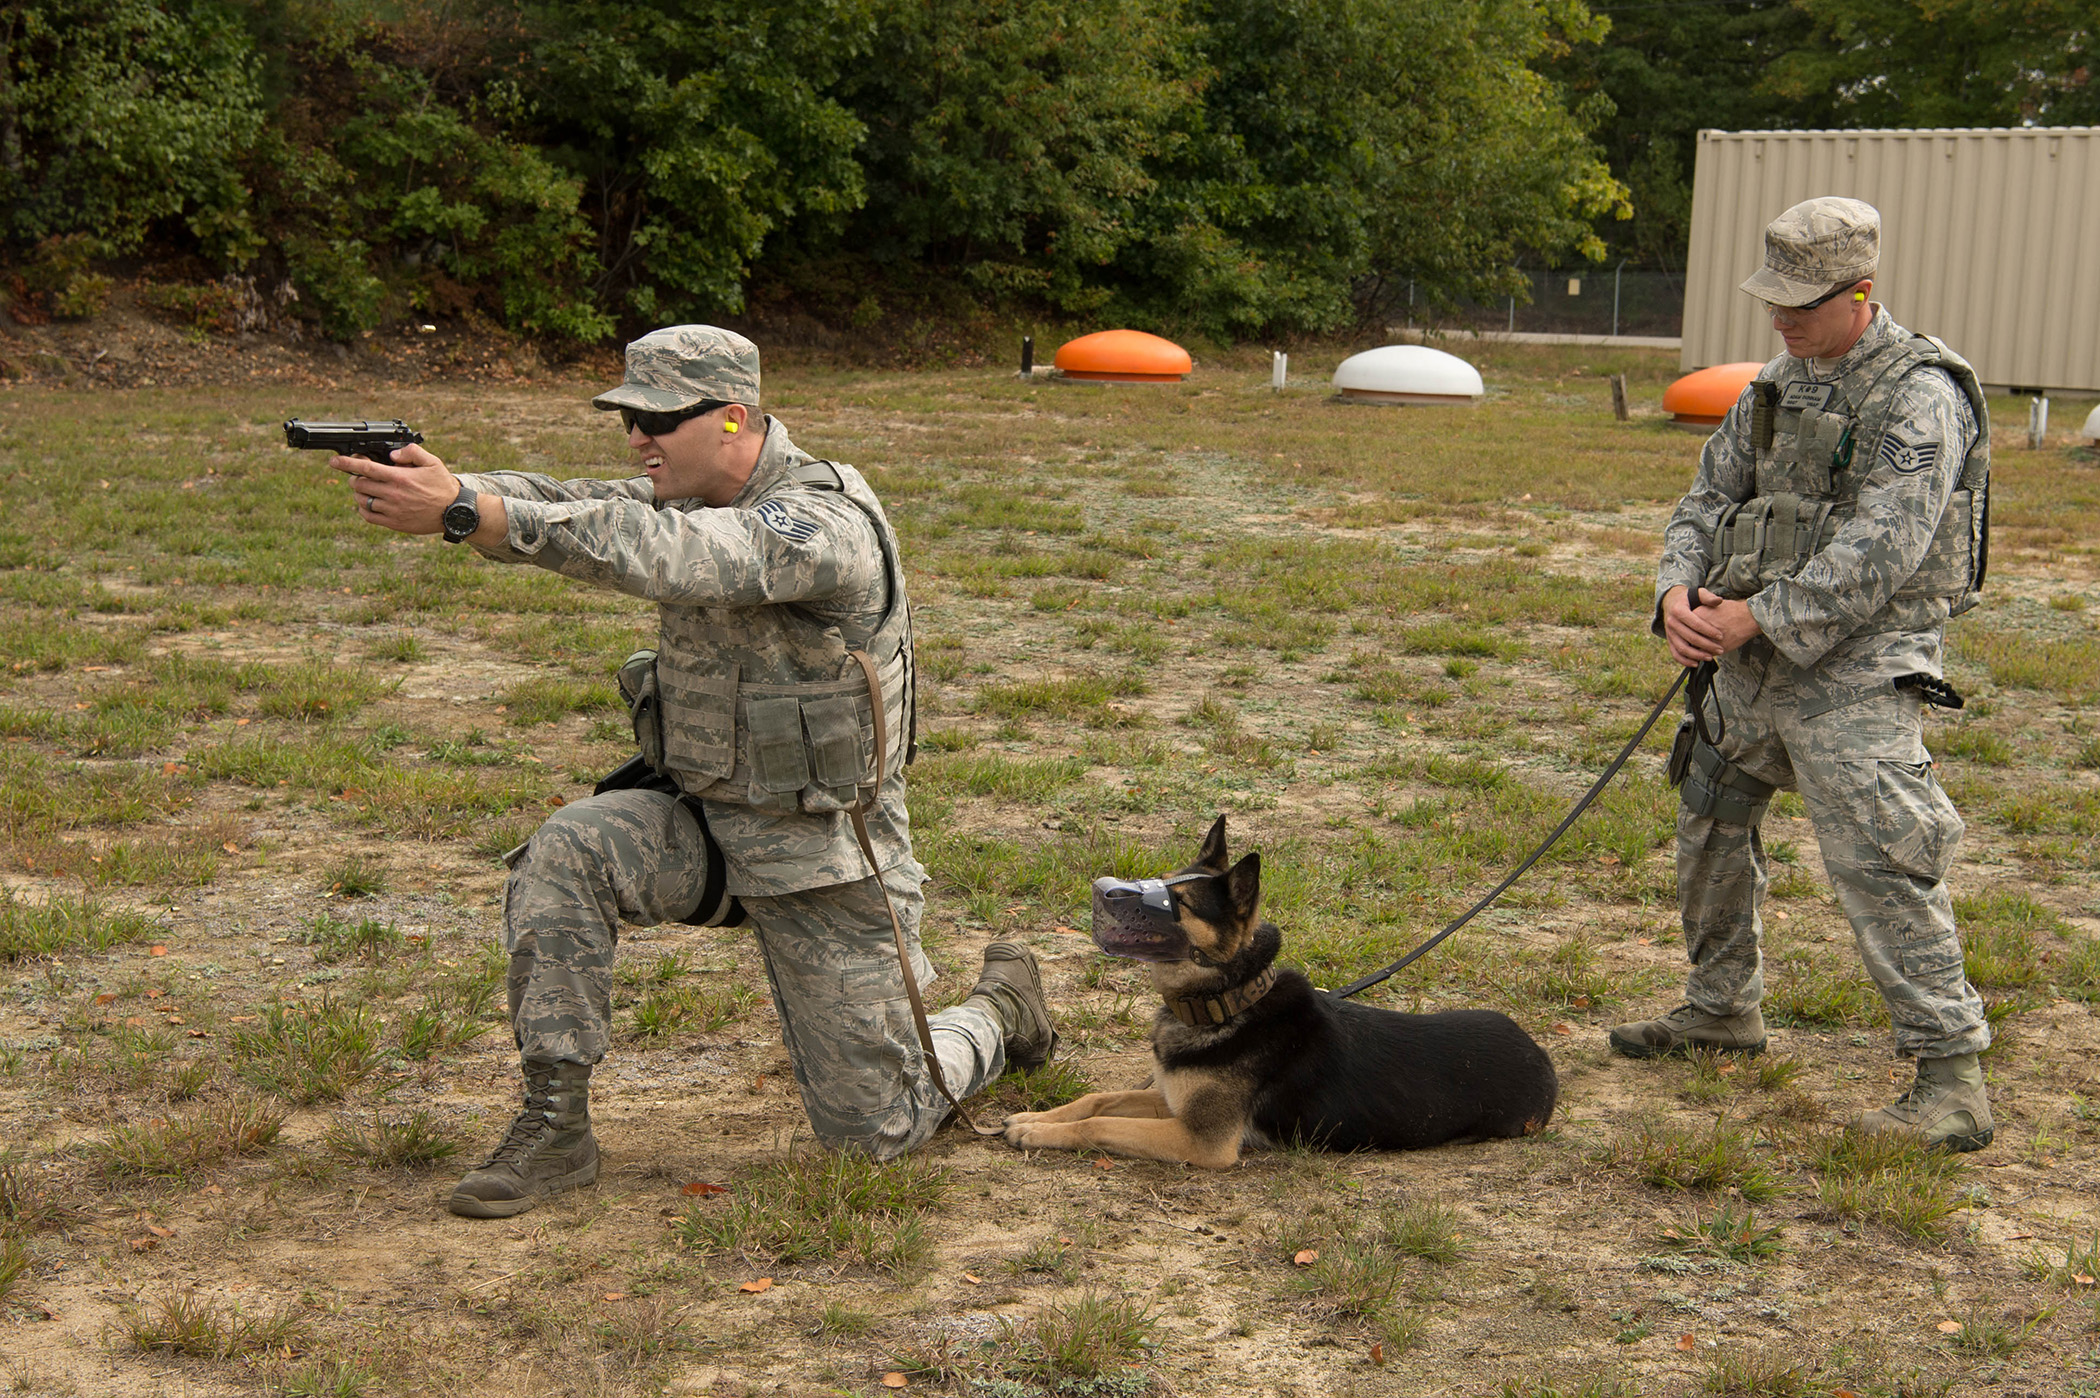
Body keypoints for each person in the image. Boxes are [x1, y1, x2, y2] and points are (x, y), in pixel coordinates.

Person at [329, 325, 1056, 1215]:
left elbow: (675, 554)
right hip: (705, 825)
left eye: (660, 418)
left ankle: (996, 1013)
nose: (639, 438)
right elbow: (578, 499)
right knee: (569, 849)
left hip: (822, 853)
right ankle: (554, 1127)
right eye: (628, 417)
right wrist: (454, 488)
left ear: (734, 417)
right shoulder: (685, 490)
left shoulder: (823, 521)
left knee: (874, 1132)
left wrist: (465, 515)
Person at [1609, 197, 1995, 1152]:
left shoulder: (1917, 394)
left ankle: (1951, 1077)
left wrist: (1760, 614)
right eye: (1771, 300)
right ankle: (1719, 1010)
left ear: (1858, 293)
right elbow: (1708, 493)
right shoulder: (1777, 384)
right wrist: (1677, 593)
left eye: (1800, 304)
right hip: (1746, 656)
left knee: (1882, 856)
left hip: (1857, 666)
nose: (1779, 320)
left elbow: (1885, 548)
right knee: (1709, 818)